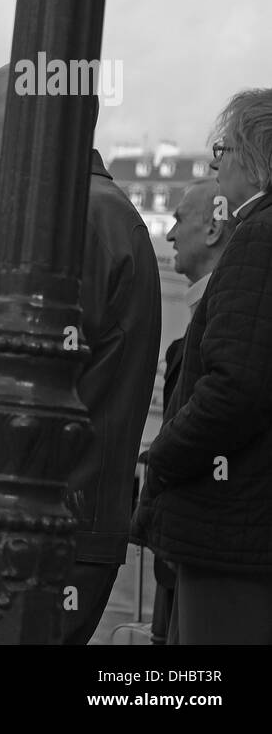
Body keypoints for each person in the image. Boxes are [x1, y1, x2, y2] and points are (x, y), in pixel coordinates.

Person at [0, 65, 161, 644]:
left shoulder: (72, 222)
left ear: (32, 123)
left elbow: (16, 411)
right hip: (41, 534)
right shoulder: (92, 214)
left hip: (22, 544)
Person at [132, 89, 272, 644]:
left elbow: (236, 385)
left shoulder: (259, 232)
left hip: (234, 527)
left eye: (224, 148)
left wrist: (163, 456)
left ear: (255, 154)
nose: (218, 162)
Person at [148, 176, 232, 643]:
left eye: (179, 218)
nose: (170, 233)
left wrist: (161, 458)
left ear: (215, 229)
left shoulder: (213, 325)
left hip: (197, 548)